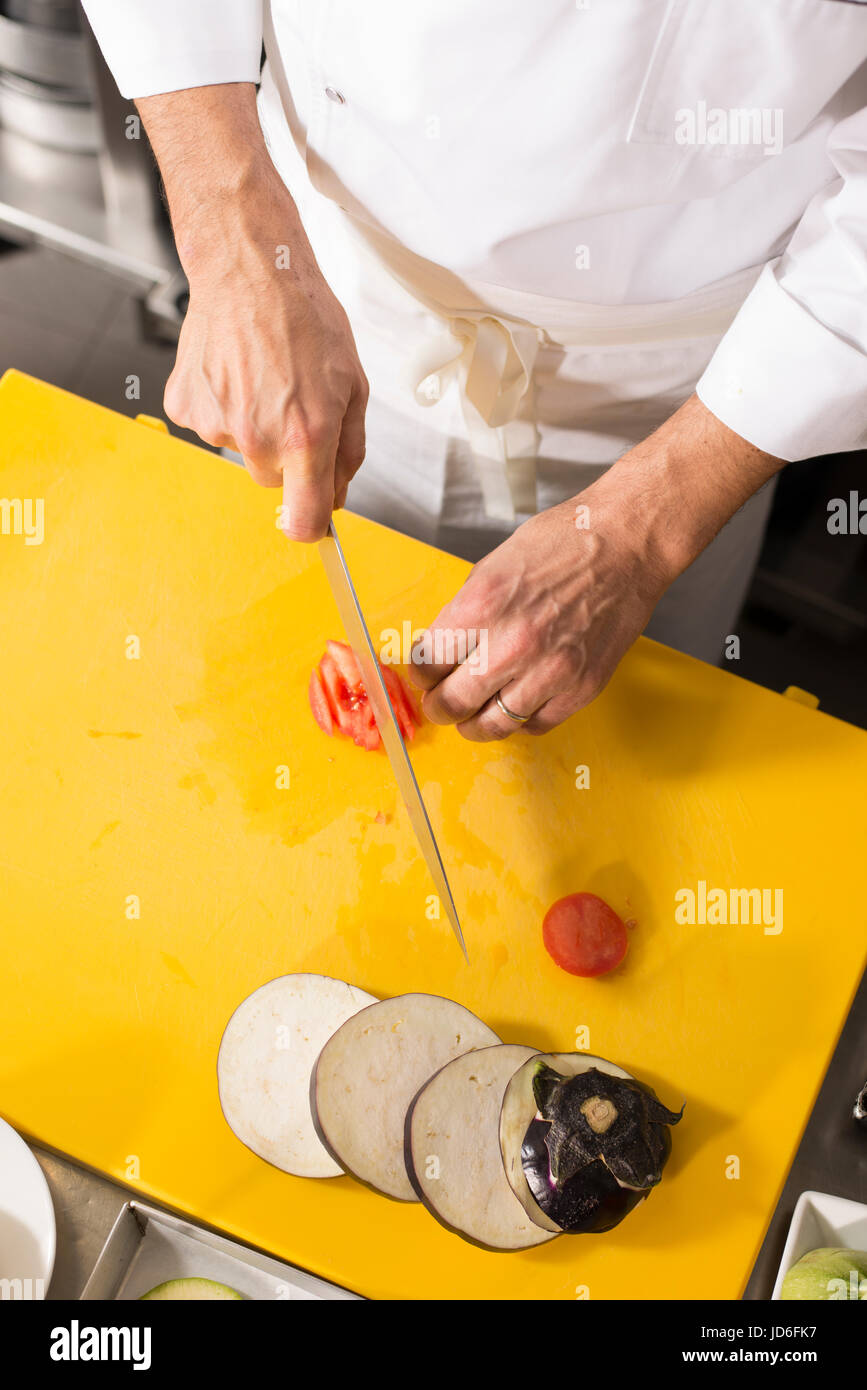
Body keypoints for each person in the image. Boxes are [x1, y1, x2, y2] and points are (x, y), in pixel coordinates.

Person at [82, 2, 867, 740]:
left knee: (631, 760)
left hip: (685, 415)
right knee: (253, 690)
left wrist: (639, 542)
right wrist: (232, 240)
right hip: (315, 317)